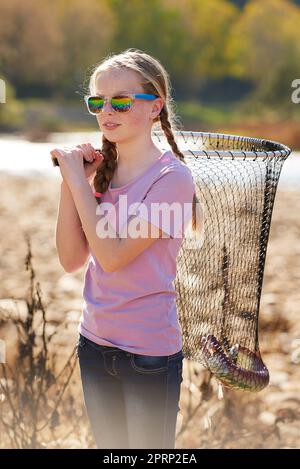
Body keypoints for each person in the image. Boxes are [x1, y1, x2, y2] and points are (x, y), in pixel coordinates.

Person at [52, 48, 202, 449]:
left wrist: (79, 184)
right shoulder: (100, 173)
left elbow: (114, 256)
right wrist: (74, 184)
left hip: (148, 356)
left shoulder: (172, 179)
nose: (107, 110)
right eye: (97, 101)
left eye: (120, 100)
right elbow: (70, 260)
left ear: (155, 107)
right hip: (94, 344)